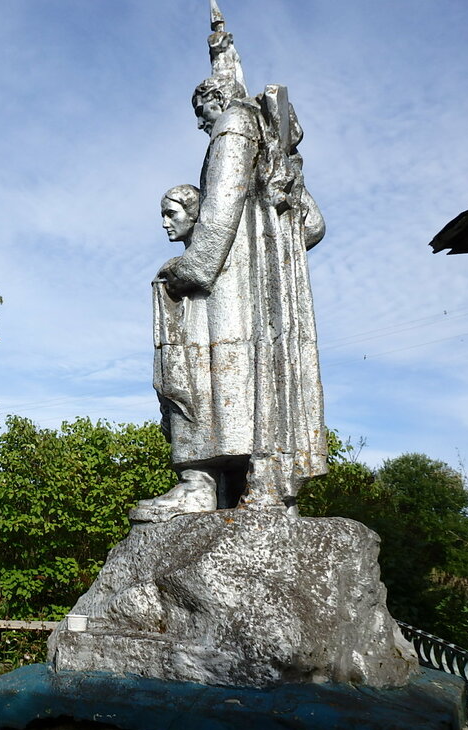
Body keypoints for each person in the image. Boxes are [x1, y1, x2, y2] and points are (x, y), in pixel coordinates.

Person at [136, 55, 326, 520]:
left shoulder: (234, 124)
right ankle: (261, 481)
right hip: (268, 288)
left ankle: (199, 483)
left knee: (205, 372)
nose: (203, 128)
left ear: (216, 101)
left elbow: (219, 209)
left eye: (202, 118)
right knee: (259, 375)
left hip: (229, 282)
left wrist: (189, 270)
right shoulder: (276, 147)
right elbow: (313, 227)